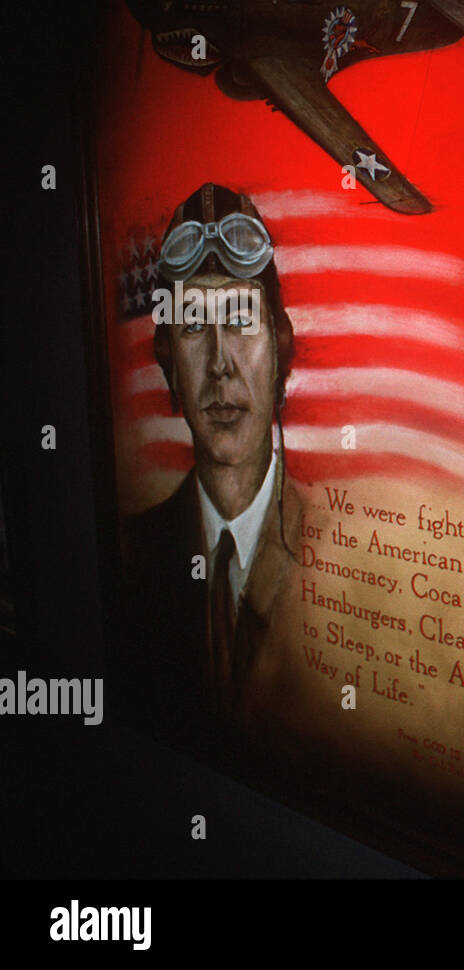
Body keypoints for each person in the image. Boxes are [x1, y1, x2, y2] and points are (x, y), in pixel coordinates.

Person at [119, 183, 305, 732]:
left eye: (242, 319)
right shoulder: (132, 556)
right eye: (195, 324)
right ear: (169, 363)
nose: (221, 364)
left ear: (280, 350)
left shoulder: (334, 547)